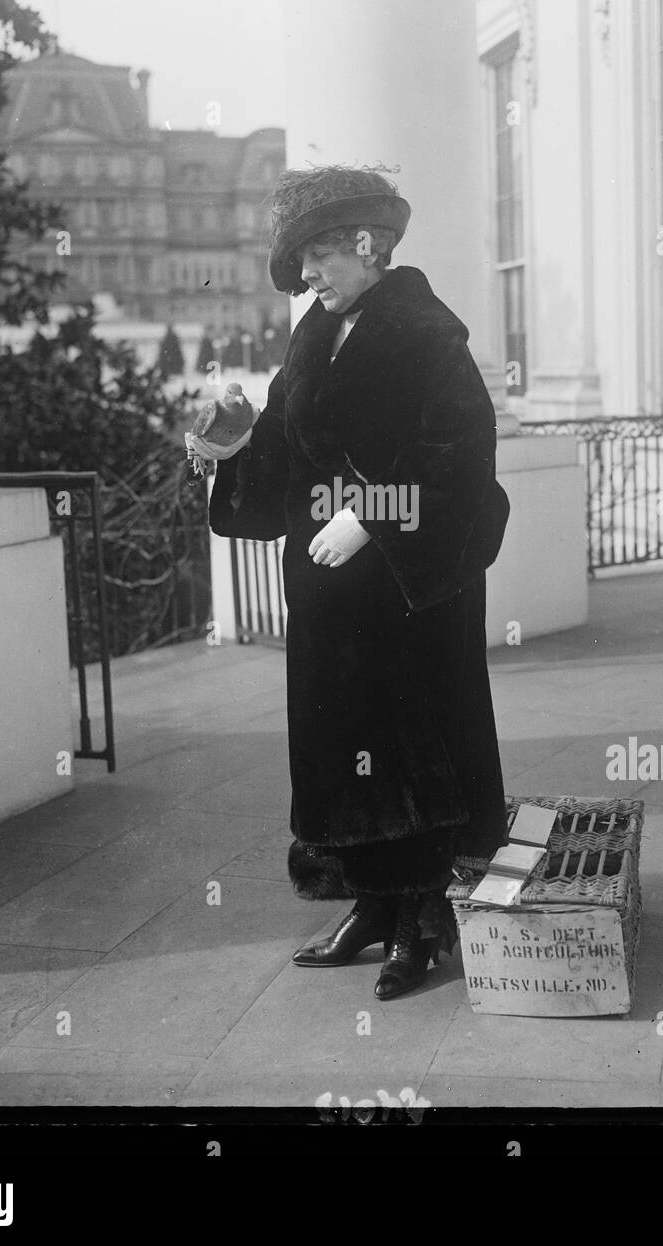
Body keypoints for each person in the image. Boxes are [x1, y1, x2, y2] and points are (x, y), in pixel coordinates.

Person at [205, 165, 510, 1001]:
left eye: (316, 257)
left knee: (413, 745)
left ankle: (423, 921)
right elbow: (284, 444)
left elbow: (459, 456)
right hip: (328, 593)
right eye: (301, 259)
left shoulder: (423, 332)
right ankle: (373, 905)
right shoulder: (314, 332)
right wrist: (227, 449)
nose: (305, 276)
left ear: (367, 247)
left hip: (406, 592)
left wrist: (371, 514)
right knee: (342, 744)